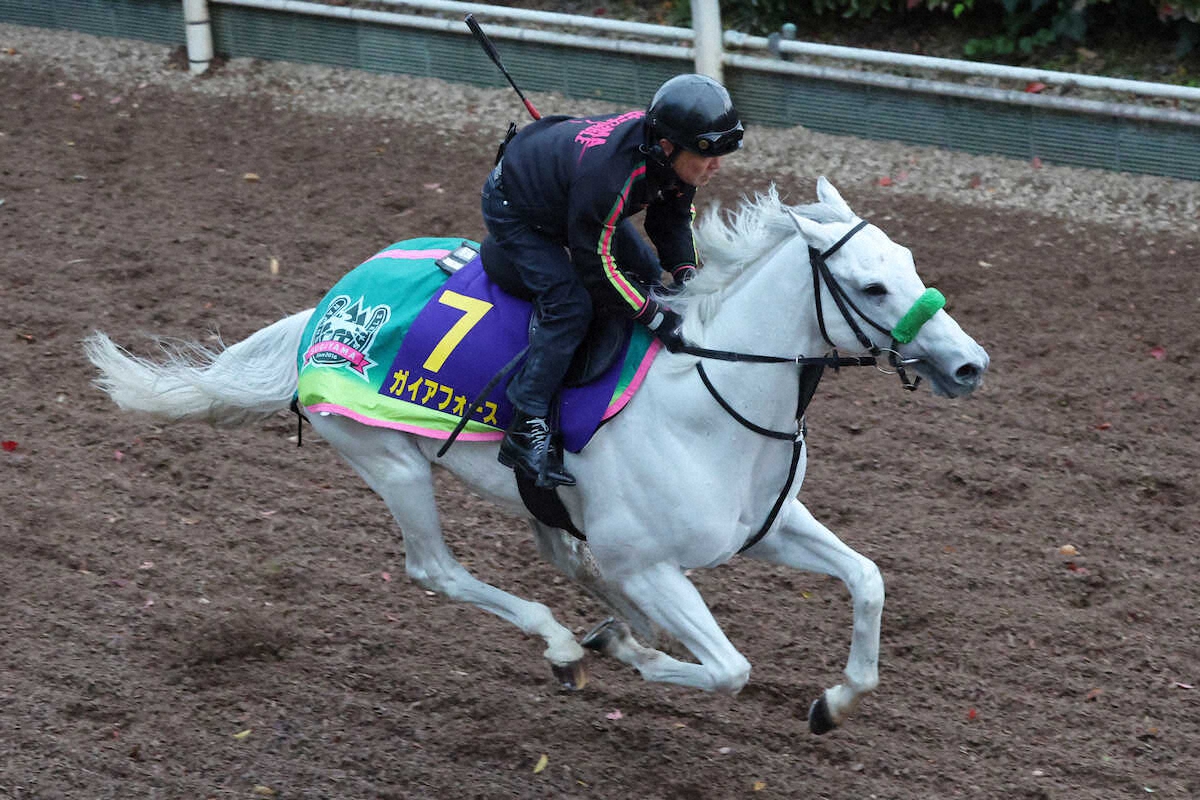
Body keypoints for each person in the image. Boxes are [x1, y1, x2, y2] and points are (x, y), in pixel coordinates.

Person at [479, 73, 744, 489]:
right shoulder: (610, 175)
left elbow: (671, 220)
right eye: (707, 155)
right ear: (668, 146)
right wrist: (655, 316)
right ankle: (525, 421)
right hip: (516, 209)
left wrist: (687, 276)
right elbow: (594, 264)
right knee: (571, 305)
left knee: (645, 275)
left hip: (575, 200)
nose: (717, 165)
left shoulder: (672, 155)